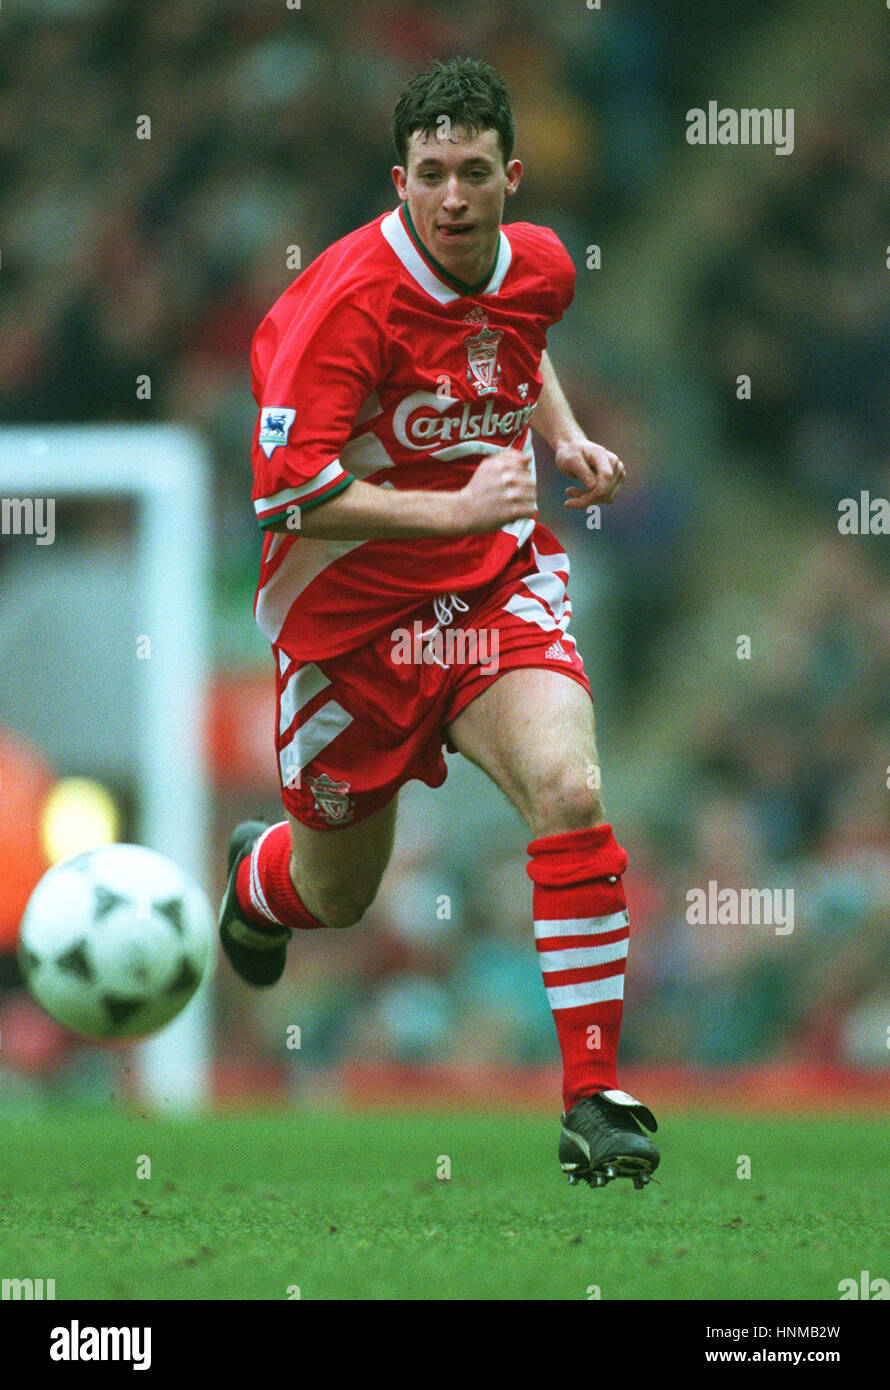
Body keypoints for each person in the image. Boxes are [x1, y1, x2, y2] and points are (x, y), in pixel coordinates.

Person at [219, 56, 659, 1190]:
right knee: (336, 894)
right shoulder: (343, 305)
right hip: (349, 636)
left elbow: (515, 345)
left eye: (473, 172)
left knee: (567, 787)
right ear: (399, 182)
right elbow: (286, 492)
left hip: (489, 589)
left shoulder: (542, 266)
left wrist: (559, 439)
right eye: (431, 175)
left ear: (510, 176)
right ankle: (253, 881)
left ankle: (593, 1100)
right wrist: (449, 503)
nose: (453, 196)